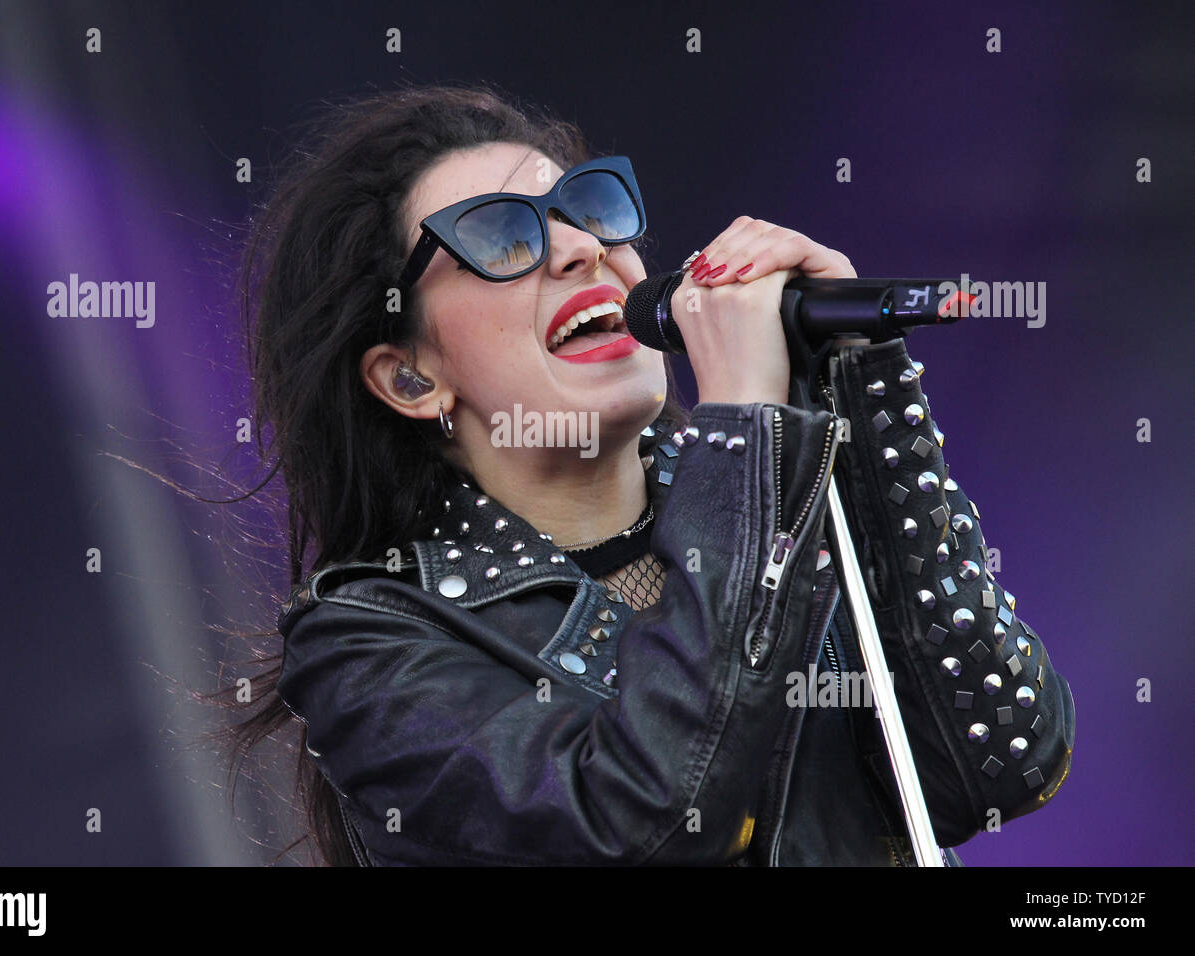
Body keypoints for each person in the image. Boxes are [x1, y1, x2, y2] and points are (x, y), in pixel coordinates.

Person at [239, 85, 1074, 865]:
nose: (579, 248)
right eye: (500, 235)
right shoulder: (368, 643)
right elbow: (644, 821)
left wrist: (857, 375)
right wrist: (744, 425)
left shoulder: (785, 500)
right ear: (411, 378)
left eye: (589, 209)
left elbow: (1002, 761)